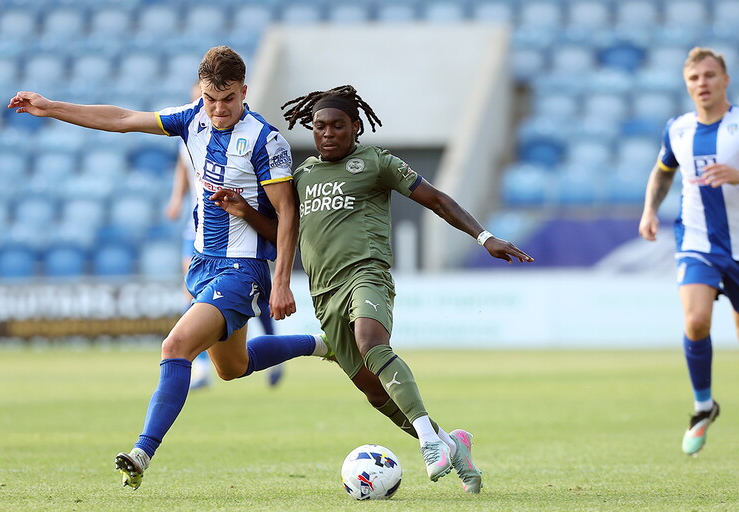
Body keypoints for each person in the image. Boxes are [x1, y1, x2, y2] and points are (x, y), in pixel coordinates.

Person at [8, 46, 328, 490]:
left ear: (244, 92)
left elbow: (287, 214)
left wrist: (280, 283)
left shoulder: (264, 140)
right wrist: (52, 107)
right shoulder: (191, 117)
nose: (219, 110)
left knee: (175, 346)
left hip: (244, 267)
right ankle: (320, 344)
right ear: (203, 93)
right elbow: (122, 119)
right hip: (202, 264)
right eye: (212, 99)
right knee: (232, 367)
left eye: (229, 99)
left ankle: (142, 451)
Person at [211, 85, 533, 493]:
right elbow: (286, 234)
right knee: (373, 390)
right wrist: (244, 212)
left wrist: (484, 237)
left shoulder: (377, 162)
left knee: (371, 341)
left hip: (367, 274)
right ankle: (452, 443)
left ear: (355, 127)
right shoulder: (305, 174)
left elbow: (435, 199)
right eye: (319, 126)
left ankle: (430, 444)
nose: (327, 133)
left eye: (338, 126)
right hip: (324, 294)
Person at [638, 47, 739, 459]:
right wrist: (650, 210)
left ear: (725, 79)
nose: (702, 83)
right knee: (695, 320)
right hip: (696, 242)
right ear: (686, 84)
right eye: (694, 78)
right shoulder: (677, 129)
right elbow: (663, 169)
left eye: (709, 75)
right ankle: (703, 407)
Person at [164, 83, 285, 391]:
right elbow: (183, 168)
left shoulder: (253, 137)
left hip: (241, 234)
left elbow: (285, 212)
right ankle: (202, 366)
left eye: (223, 99)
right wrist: (176, 199)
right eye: (204, 99)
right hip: (197, 227)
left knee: (256, 298)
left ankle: (273, 345)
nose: (213, 108)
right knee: (193, 296)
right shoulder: (189, 129)